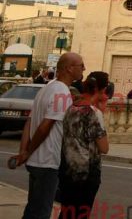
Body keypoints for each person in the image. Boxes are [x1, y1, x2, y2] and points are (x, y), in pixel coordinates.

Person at [16, 51, 85, 219]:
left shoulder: (47, 88)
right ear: (69, 68)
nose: (84, 69)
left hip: (36, 161)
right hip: (47, 162)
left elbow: (29, 122)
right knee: (41, 212)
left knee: (33, 209)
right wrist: (28, 151)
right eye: (81, 66)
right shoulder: (61, 92)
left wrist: (24, 151)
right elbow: (44, 127)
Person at [57, 72, 110, 219]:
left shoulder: (70, 109)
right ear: (102, 89)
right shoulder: (94, 113)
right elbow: (104, 148)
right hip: (86, 173)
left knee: (66, 213)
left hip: (67, 169)